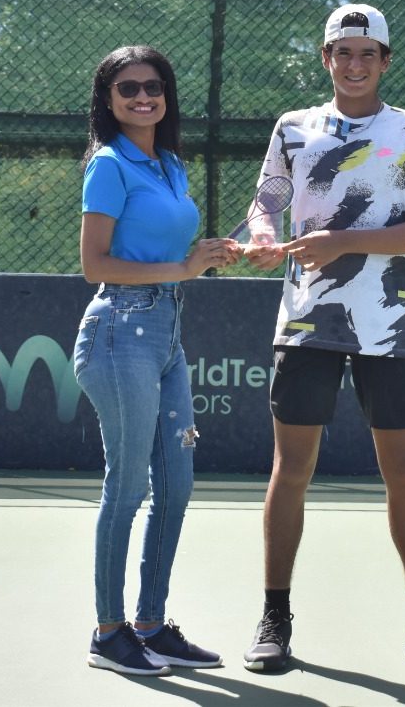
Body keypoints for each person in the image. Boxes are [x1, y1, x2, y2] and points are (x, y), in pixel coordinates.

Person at [240, 4, 405, 675]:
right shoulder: (293, 128)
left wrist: (343, 240)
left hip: (391, 327)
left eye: (366, 53)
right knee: (292, 473)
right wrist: (263, 231)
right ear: (326, 59)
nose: (353, 64)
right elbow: (269, 198)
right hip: (307, 324)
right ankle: (275, 618)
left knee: (404, 475)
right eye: (342, 52)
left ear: (385, 62)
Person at [72, 45, 239, 678]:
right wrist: (184, 268)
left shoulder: (169, 163)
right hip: (119, 329)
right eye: (127, 89)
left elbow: (169, 249)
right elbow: (95, 263)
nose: (143, 97)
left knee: (177, 484)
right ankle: (108, 633)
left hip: (166, 331)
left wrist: (206, 252)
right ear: (108, 102)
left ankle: (149, 624)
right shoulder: (108, 166)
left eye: (153, 86)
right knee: (129, 485)